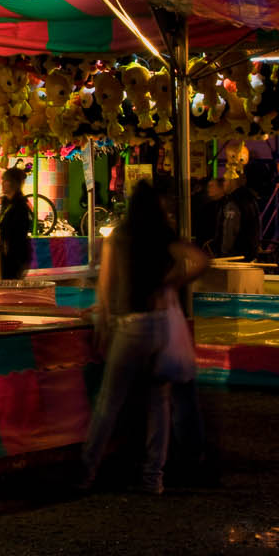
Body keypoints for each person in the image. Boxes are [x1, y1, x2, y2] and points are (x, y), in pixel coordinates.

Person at [80, 180, 209, 495]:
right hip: (162, 324)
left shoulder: (119, 238)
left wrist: (105, 320)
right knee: (158, 403)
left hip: (131, 324)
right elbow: (203, 260)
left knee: (109, 402)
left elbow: (105, 283)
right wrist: (173, 282)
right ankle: (154, 479)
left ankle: (86, 473)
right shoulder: (163, 235)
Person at [0, 165, 34, 280]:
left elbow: (19, 233)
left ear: (14, 183)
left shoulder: (20, 206)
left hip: (15, 256)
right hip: (4, 255)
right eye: (2, 181)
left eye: (6, 181)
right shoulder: (6, 202)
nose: (2, 184)